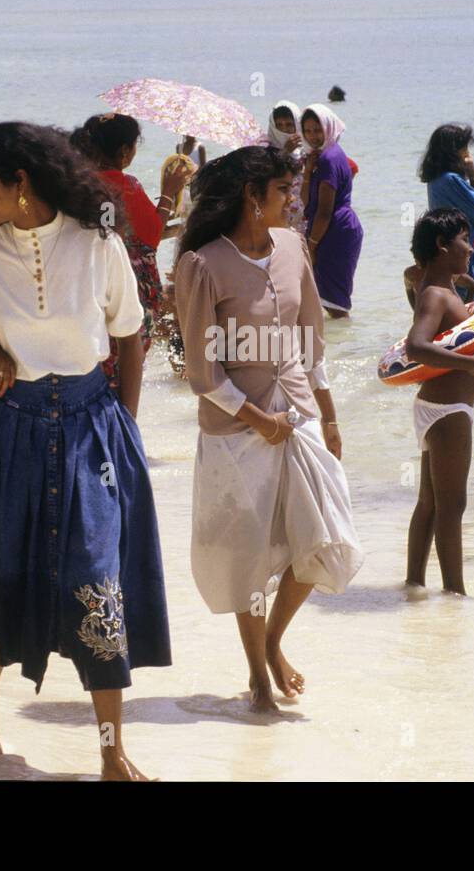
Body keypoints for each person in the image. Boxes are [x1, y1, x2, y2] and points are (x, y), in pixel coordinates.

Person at [0, 122, 172, 780]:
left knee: (97, 576)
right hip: (7, 425)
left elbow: (130, 334)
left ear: (21, 183)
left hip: (93, 426)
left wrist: (125, 425)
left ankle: (110, 749)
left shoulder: (97, 242)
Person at [175, 146, 363, 714]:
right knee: (249, 558)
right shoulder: (203, 264)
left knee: (326, 542)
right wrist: (259, 421)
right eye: (284, 190)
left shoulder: (292, 249)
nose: (296, 200)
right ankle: (258, 673)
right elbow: (202, 372)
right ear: (253, 198)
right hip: (237, 435)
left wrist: (327, 416)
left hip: (299, 419)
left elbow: (312, 341)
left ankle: (275, 642)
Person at [402, 209, 474, 596]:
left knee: (430, 503)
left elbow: (413, 275)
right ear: (441, 248)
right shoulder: (437, 294)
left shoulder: (436, 286)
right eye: (464, 240)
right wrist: (468, 362)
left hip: (435, 408)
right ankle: (455, 592)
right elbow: (416, 346)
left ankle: (414, 581)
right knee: (452, 506)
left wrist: (464, 287)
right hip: (449, 412)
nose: (471, 248)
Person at [70, 113, 190, 383]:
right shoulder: (128, 186)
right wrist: (169, 191)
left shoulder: (78, 186)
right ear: (125, 151)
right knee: (123, 367)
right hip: (129, 288)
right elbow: (152, 235)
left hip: (87, 286)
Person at [300, 104, 364, 318]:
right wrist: (308, 171)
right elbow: (306, 201)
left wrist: (312, 246)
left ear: (328, 127)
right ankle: (343, 346)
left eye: (317, 130)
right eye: (307, 131)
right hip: (335, 228)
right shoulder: (323, 156)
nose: (313, 136)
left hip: (334, 230)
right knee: (328, 297)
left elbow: (324, 211)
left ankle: (347, 349)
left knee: (335, 305)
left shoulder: (328, 159)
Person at [419, 123, 474, 299]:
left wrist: (471, 173)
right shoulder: (451, 180)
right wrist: (473, 172)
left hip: (450, 251)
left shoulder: (437, 179)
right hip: (467, 251)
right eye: (464, 148)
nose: (467, 153)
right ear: (453, 152)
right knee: (471, 303)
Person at [267, 101, 305, 234]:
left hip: (303, 218)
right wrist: (284, 152)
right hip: (277, 217)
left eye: (289, 125)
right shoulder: (266, 151)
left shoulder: (306, 150)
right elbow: (265, 177)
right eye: (279, 125)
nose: (284, 130)